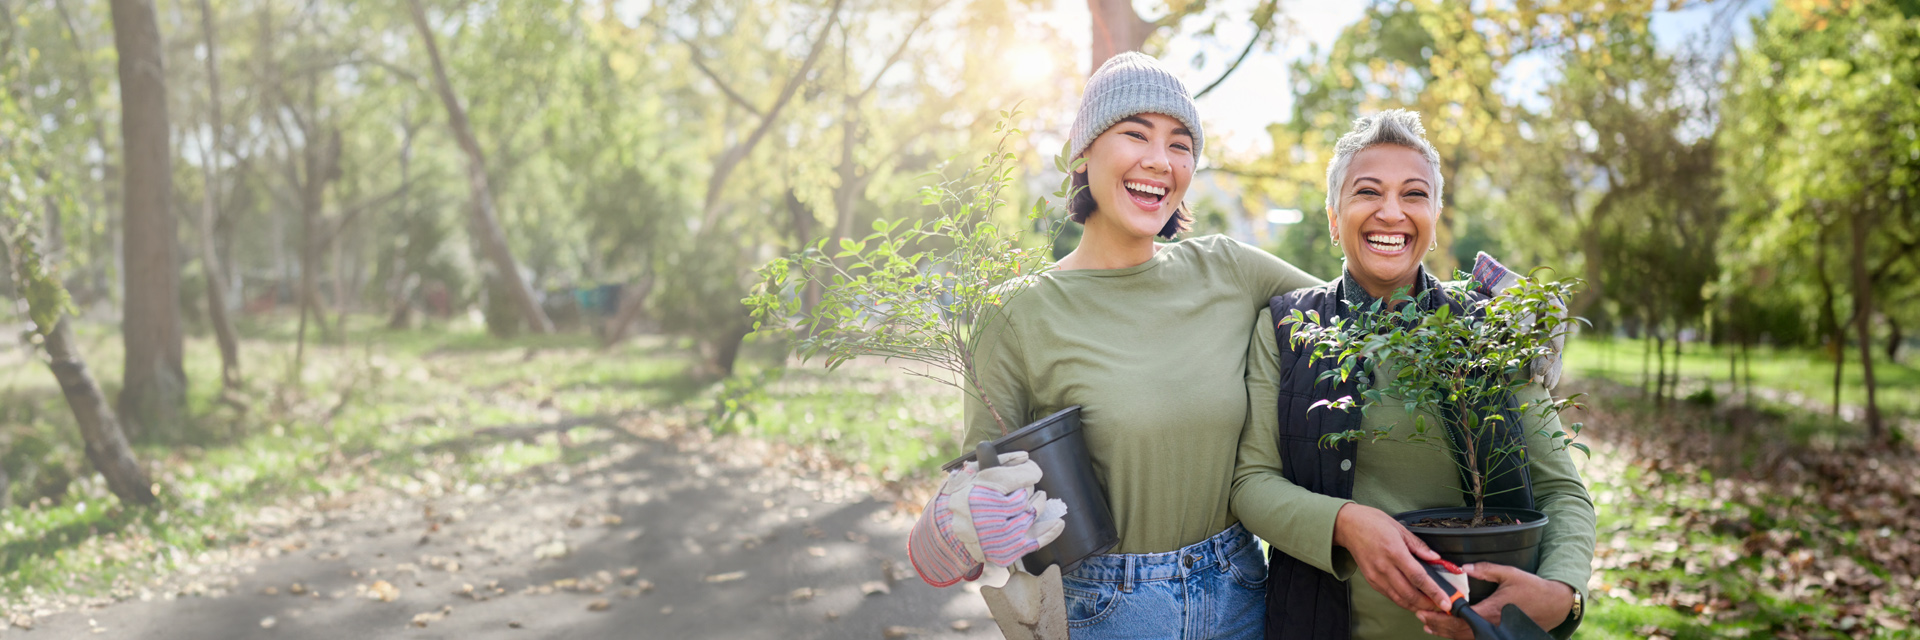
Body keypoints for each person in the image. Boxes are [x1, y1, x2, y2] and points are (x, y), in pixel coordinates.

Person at [906, 52, 1318, 640]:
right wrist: (958, 522)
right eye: (1134, 133)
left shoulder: (1230, 270)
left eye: (1180, 144)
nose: (1160, 160)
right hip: (1103, 609)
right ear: (1083, 153)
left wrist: (1487, 305)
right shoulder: (1016, 311)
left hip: (1243, 591)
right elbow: (979, 485)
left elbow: (1355, 314)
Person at [1230, 109, 1596, 640]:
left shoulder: (1490, 331)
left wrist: (1563, 592)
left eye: (1414, 194)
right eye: (1367, 192)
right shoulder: (1287, 328)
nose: (1391, 212)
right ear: (1334, 219)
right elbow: (1251, 482)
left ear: (1436, 218)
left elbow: (1561, 489)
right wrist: (1345, 524)